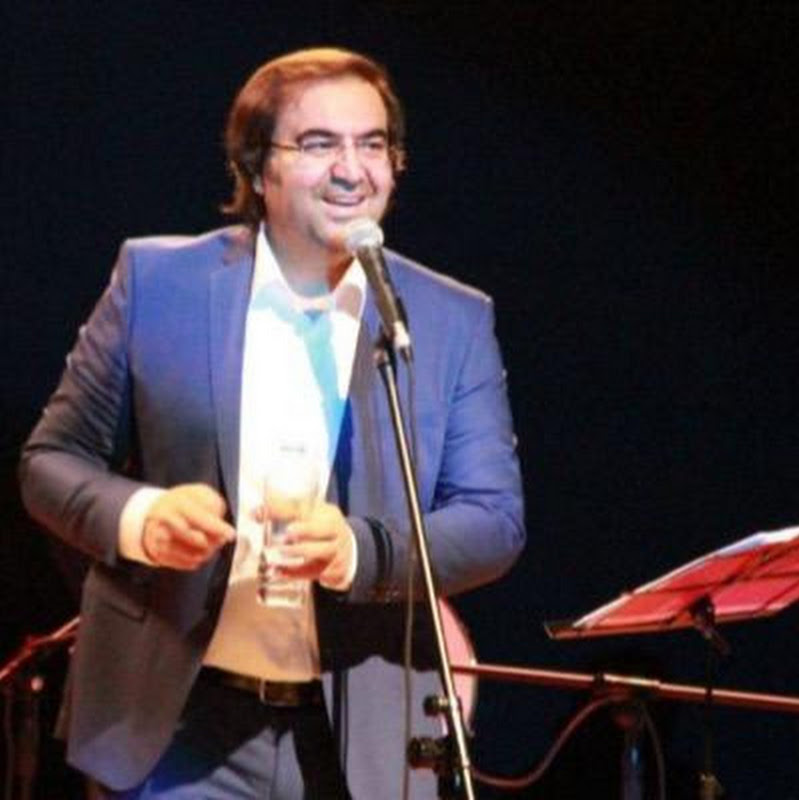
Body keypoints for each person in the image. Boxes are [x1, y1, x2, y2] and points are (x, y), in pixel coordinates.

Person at [19, 47, 525, 799]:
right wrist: (141, 518)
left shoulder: (448, 319)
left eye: (373, 144)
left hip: (360, 740)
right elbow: (50, 462)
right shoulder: (159, 283)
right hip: (179, 727)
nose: (352, 170)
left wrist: (358, 551)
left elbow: (493, 521)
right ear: (256, 168)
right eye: (319, 144)